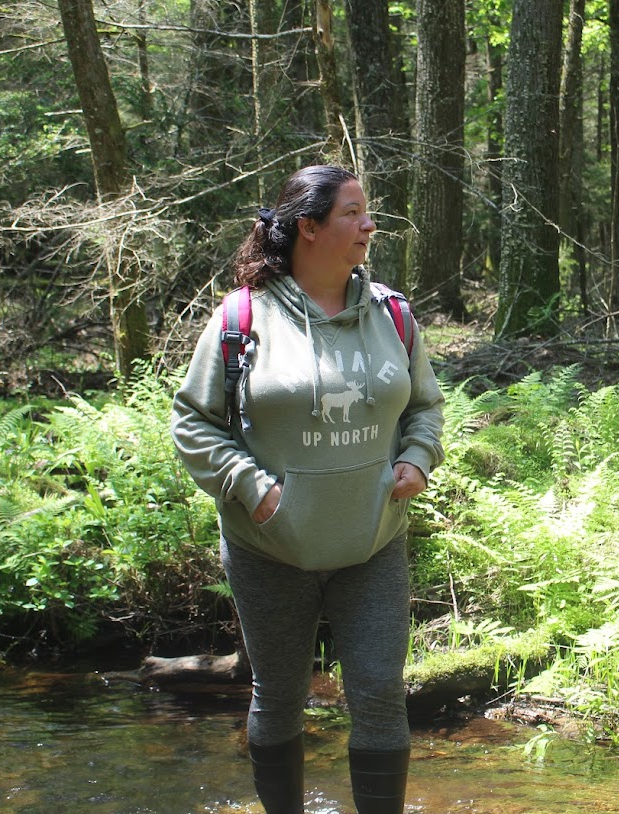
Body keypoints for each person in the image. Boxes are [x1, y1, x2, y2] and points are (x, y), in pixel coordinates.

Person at [171, 165, 445, 813]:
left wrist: (417, 456)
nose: (369, 224)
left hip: (371, 542)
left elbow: (426, 406)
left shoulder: (392, 316)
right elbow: (192, 420)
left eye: (367, 211)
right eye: (353, 213)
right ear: (309, 227)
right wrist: (248, 484)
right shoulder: (242, 318)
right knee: (279, 694)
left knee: (378, 692)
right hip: (270, 548)